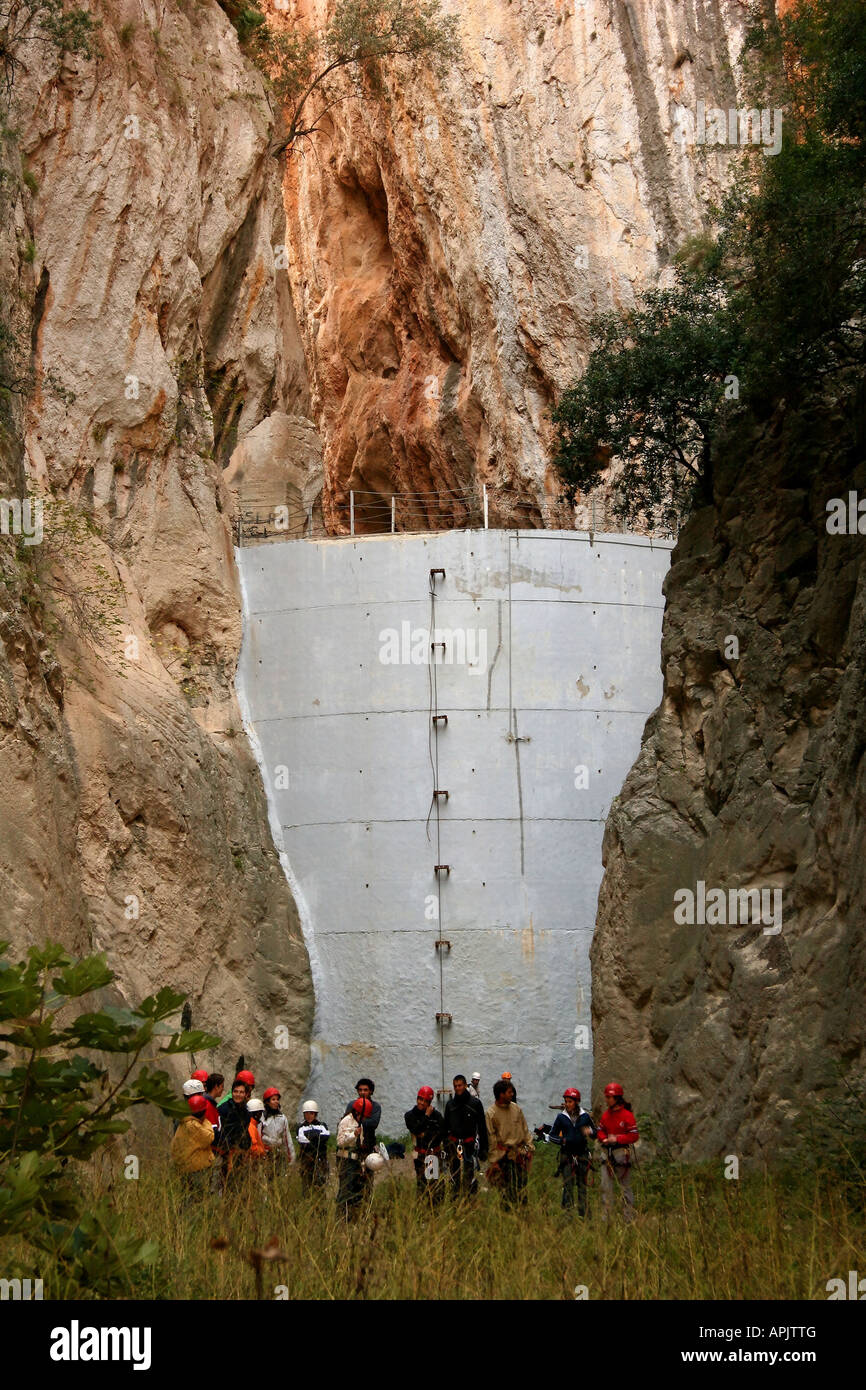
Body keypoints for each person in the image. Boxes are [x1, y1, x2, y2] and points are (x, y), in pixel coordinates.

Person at [546, 1088, 596, 1216]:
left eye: (570, 1101)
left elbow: (597, 1133)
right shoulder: (561, 1117)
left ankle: (583, 1214)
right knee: (568, 1184)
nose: (567, 1104)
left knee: (582, 1185)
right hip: (567, 1155)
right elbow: (552, 1135)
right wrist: (562, 1140)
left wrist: (590, 1132)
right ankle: (567, 1214)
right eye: (566, 1101)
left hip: (582, 1155)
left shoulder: (585, 1117)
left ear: (576, 1102)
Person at [486, 1079, 533, 1208]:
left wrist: (529, 1148)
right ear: (501, 1094)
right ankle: (507, 1216)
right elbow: (491, 1138)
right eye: (509, 1092)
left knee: (522, 1187)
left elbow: (525, 1130)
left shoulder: (516, 1108)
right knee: (506, 1191)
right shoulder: (491, 1113)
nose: (512, 1094)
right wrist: (494, 1161)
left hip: (519, 1155)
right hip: (503, 1157)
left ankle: (523, 1214)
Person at [597, 1082, 639, 1222]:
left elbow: (634, 1135)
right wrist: (604, 1139)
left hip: (621, 1153)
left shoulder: (627, 1115)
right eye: (606, 1097)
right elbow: (600, 1130)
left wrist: (618, 1138)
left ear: (616, 1098)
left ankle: (628, 1218)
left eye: (609, 1097)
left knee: (625, 1188)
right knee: (605, 1187)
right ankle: (606, 1218)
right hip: (606, 1153)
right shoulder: (606, 1115)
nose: (607, 1100)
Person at [442, 1074, 487, 1198]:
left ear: (465, 1085)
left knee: (469, 1174)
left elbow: (482, 1127)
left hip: (469, 1144)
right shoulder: (450, 1105)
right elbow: (445, 1127)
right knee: (454, 1174)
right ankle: (455, 1199)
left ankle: (469, 1200)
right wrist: (445, 1146)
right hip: (454, 1144)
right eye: (455, 1086)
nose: (457, 1088)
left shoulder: (475, 1103)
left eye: (460, 1085)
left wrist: (484, 1148)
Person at [336, 1096, 377, 1220]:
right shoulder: (346, 1121)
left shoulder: (362, 1123)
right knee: (345, 1190)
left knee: (358, 1189)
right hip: (346, 1160)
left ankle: (354, 1217)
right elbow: (340, 1142)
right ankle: (341, 1218)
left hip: (357, 1161)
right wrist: (353, 1135)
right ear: (357, 1112)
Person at [405, 1086, 445, 1205]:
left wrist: (425, 1133)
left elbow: (441, 1133)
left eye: (425, 1101)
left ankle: (435, 1211)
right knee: (422, 1184)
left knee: (435, 1184)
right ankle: (422, 1212)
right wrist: (426, 1117)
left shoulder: (437, 1115)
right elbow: (416, 1130)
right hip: (420, 1154)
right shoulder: (410, 1115)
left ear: (430, 1102)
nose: (422, 1103)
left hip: (434, 1153)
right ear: (417, 1099)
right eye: (420, 1099)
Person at [170, 1093, 216, 1196]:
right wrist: (206, 1122)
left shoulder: (184, 1121)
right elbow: (210, 1137)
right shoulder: (193, 1125)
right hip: (196, 1170)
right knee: (198, 1198)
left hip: (186, 1168)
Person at [215, 1078, 253, 1188]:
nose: (238, 1095)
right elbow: (220, 1133)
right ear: (232, 1093)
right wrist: (230, 1153)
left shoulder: (245, 1111)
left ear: (246, 1094)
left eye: (241, 1092)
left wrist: (246, 1148)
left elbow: (244, 1132)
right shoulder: (223, 1109)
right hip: (224, 1155)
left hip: (240, 1155)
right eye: (235, 1091)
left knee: (238, 1186)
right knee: (224, 1185)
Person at [297, 1101, 330, 1194]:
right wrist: (316, 1137)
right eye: (306, 1113)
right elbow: (302, 1140)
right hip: (306, 1160)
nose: (308, 1116)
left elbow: (325, 1136)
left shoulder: (322, 1125)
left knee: (321, 1185)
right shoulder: (301, 1127)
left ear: (315, 1114)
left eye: (311, 1113)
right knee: (306, 1185)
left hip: (321, 1159)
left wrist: (311, 1136)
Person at [261, 1087, 295, 1172]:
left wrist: (291, 1156)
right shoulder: (261, 1117)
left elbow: (287, 1138)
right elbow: (258, 1134)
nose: (276, 1101)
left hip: (278, 1153)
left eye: (277, 1099)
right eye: (273, 1099)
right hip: (264, 1153)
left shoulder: (282, 1118)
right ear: (267, 1102)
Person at [203, 1073, 224, 1138]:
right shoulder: (208, 1105)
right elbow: (212, 1130)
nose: (223, 1089)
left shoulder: (210, 1103)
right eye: (222, 1086)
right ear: (216, 1087)